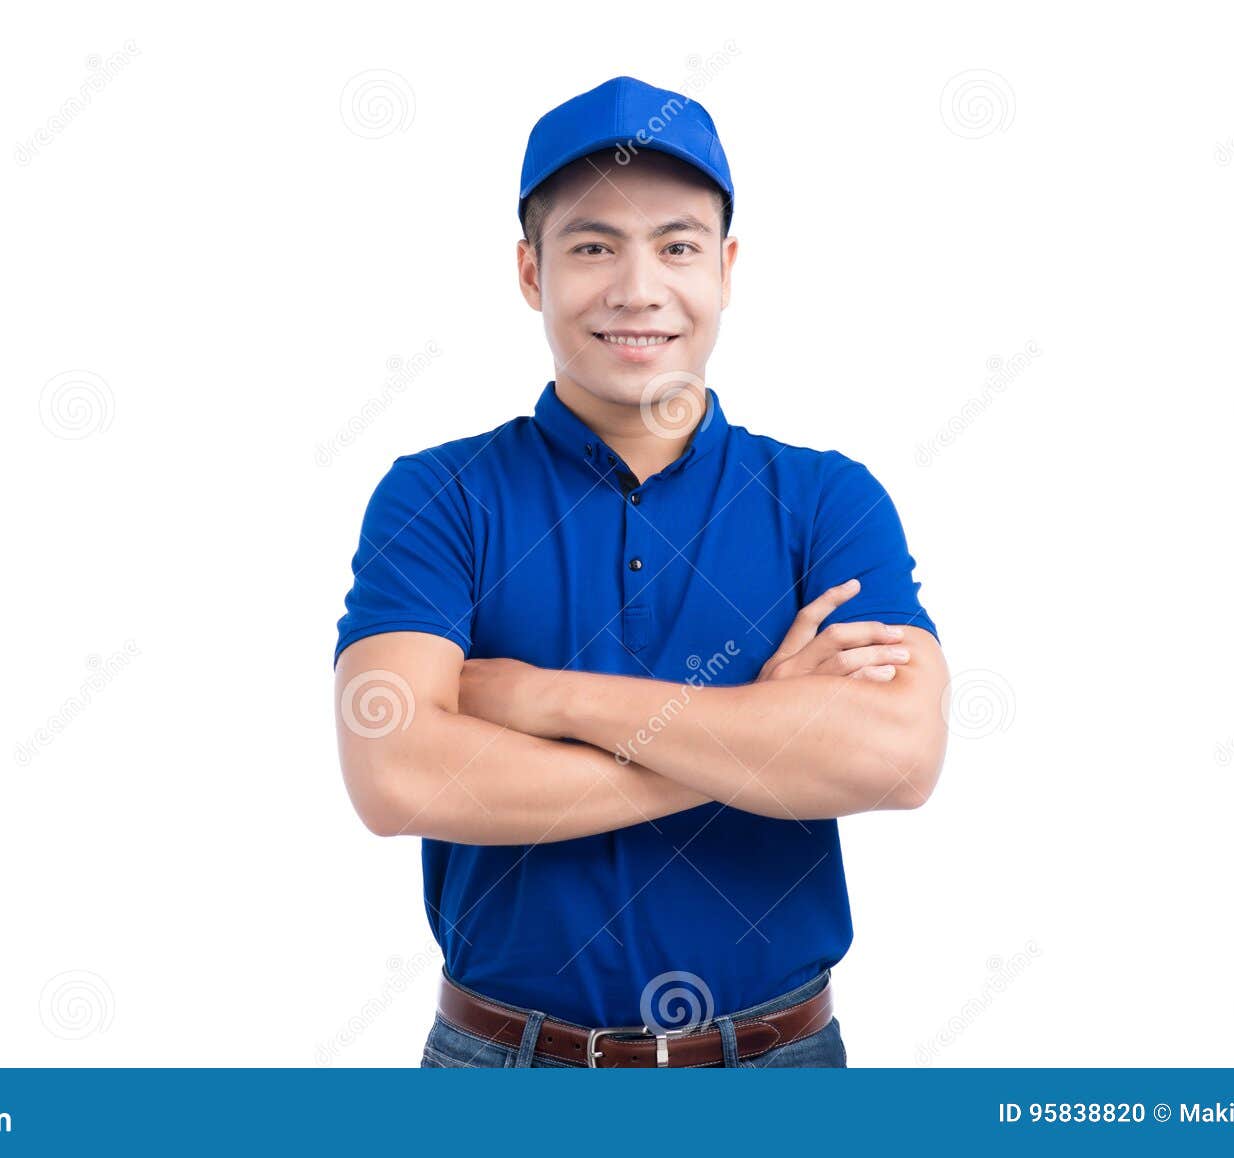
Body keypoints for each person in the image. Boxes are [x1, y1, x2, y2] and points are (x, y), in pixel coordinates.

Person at [332, 75, 949, 1068]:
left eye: (675, 245)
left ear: (725, 267)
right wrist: (758, 745)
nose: (636, 288)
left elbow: (895, 759)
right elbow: (394, 772)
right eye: (591, 247)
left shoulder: (827, 501)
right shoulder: (437, 496)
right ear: (530, 272)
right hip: (503, 1071)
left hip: (779, 1072)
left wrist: (534, 698)